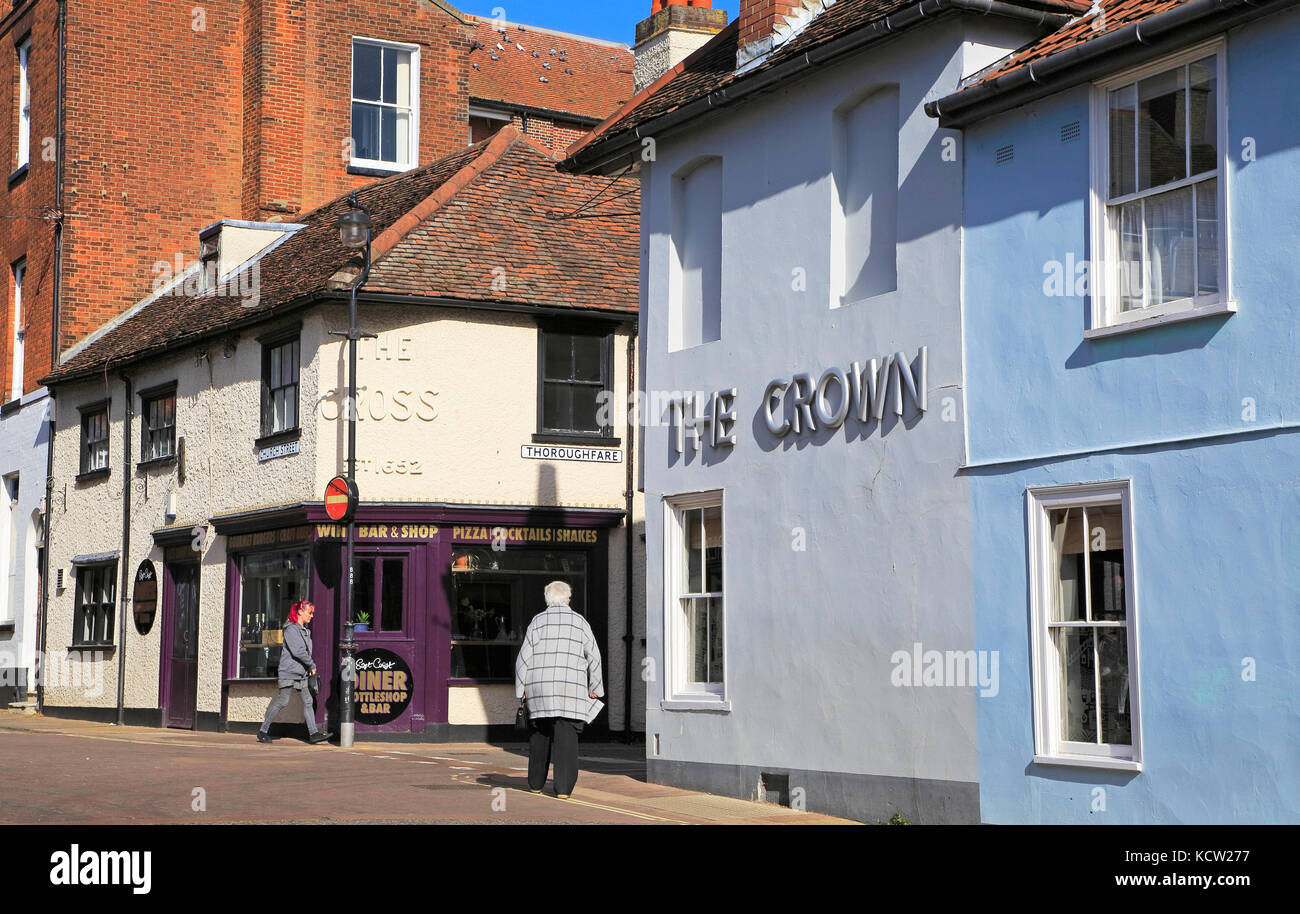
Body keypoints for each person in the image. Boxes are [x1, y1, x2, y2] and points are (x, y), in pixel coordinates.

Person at [515, 580, 604, 798]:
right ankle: (563, 789)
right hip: (570, 689)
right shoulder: (579, 622)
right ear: (567, 599)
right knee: (566, 737)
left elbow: (523, 658)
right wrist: (595, 687)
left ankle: (535, 784)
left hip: (539, 688)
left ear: (548, 600)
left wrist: (522, 689)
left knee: (539, 735)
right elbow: (594, 656)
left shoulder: (537, 621)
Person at [257, 600, 330, 744]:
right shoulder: (291, 629)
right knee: (283, 701)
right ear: (300, 612)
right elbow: (298, 651)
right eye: (310, 612)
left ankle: (313, 733)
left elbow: (305, 651)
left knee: (308, 701)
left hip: (301, 674)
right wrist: (312, 665)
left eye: (312, 613)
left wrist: (308, 667)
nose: (312, 616)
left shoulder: (305, 631)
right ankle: (262, 731)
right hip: (288, 672)